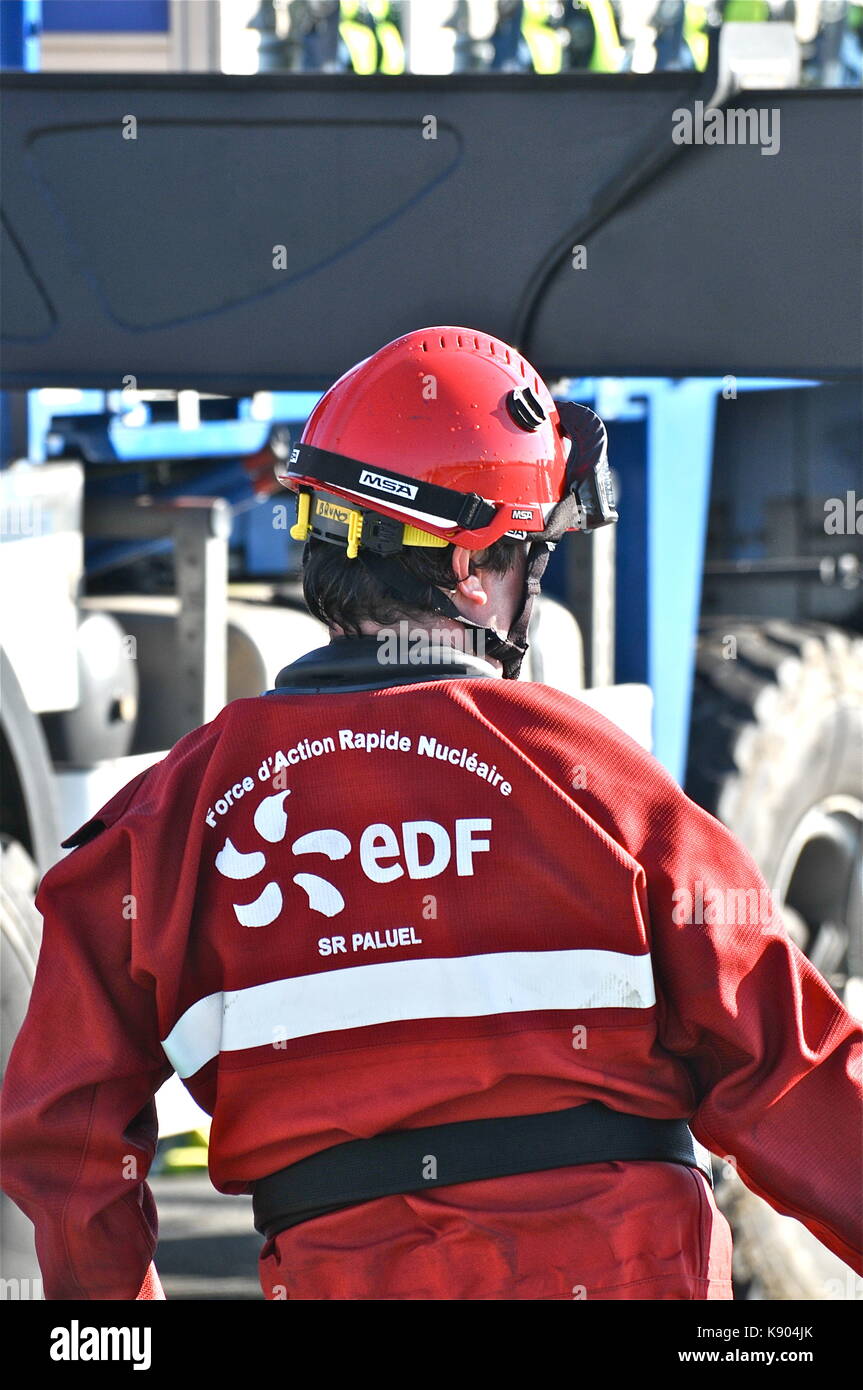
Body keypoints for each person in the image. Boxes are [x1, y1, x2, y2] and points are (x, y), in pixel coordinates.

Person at [1, 327, 860, 1301]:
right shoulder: (604, 789)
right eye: (528, 552)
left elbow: (64, 1141)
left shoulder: (165, 824)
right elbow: (799, 1075)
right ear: (467, 569)